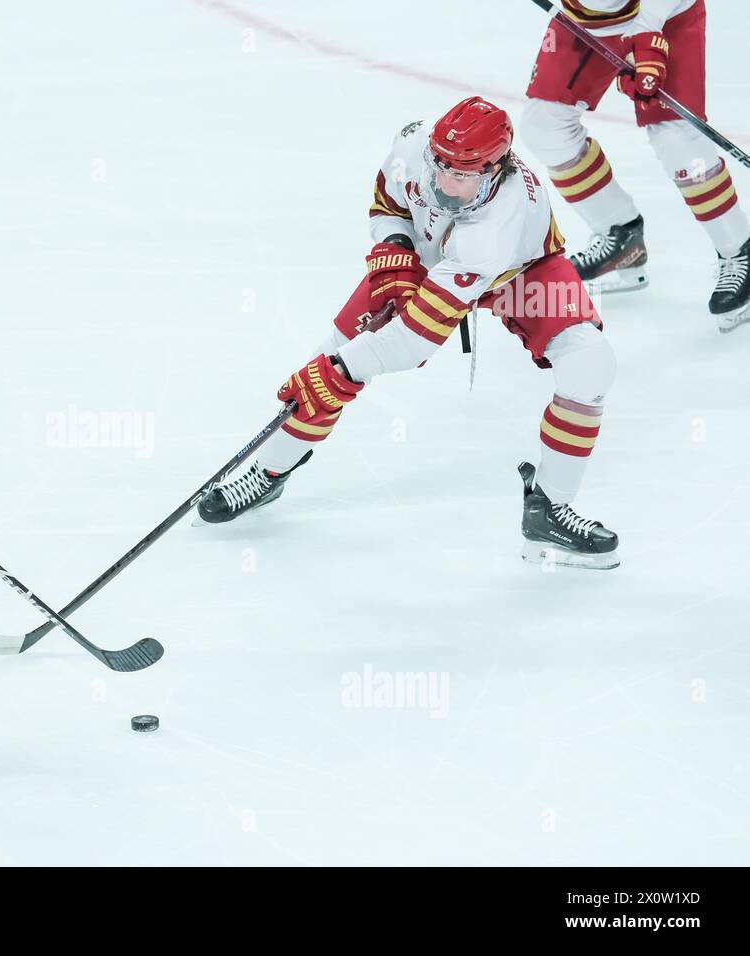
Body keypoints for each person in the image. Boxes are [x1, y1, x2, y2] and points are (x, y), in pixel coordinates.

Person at [198, 97, 620, 570]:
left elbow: (415, 339)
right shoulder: (412, 145)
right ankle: (269, 470)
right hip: (427, 258)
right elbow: (388, 204)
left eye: (463, 175)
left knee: (590, 364)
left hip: (520, 273)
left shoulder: (496, 226)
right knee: (329, 353)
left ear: (496, 166)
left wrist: (344, 371)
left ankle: (550, 510)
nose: (445, 182)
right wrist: (396, 245)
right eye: (440, 166)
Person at [521, 0, 750, 331]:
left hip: (663, 12)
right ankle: (620, 236)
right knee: (545, 125)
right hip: (585, 15)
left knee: (676, 139)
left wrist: (645, 32)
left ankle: (738, 248)